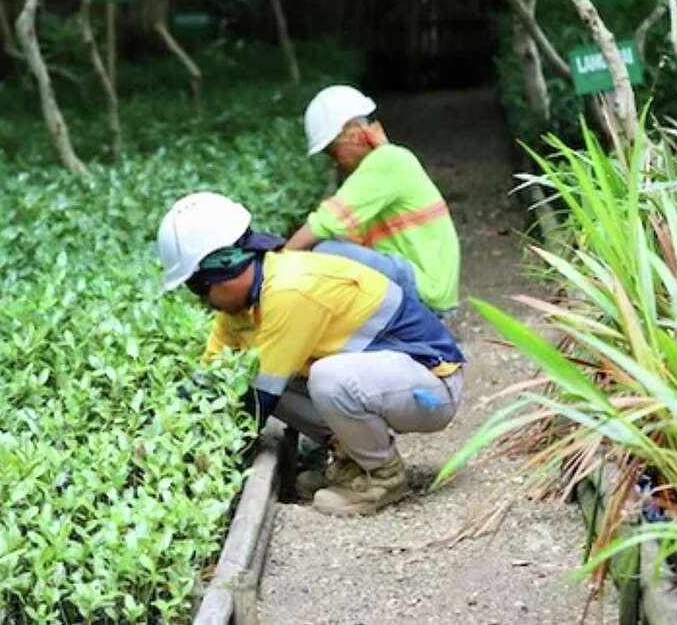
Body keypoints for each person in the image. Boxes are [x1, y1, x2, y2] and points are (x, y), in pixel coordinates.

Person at [156, 192, 465, 517]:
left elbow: (259, 404)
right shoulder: (241, 307)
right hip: (387, 379)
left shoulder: (289, 291)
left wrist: (204, 465)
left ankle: (383, 475)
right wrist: (166, 428)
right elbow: (211, 380)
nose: (201, 300)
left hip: (432, 384)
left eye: (198, 287)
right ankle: (353, 461)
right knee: (256, 375)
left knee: (320, 379)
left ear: (226, 269)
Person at [285, 84, 461, 316]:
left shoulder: (386, 161)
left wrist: (279, 262)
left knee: (325, 251)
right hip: (426, 282)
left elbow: (325, 222)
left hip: (425, 287)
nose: (335, 163)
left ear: (352, 134)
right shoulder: (388, 160)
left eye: (332, 152)